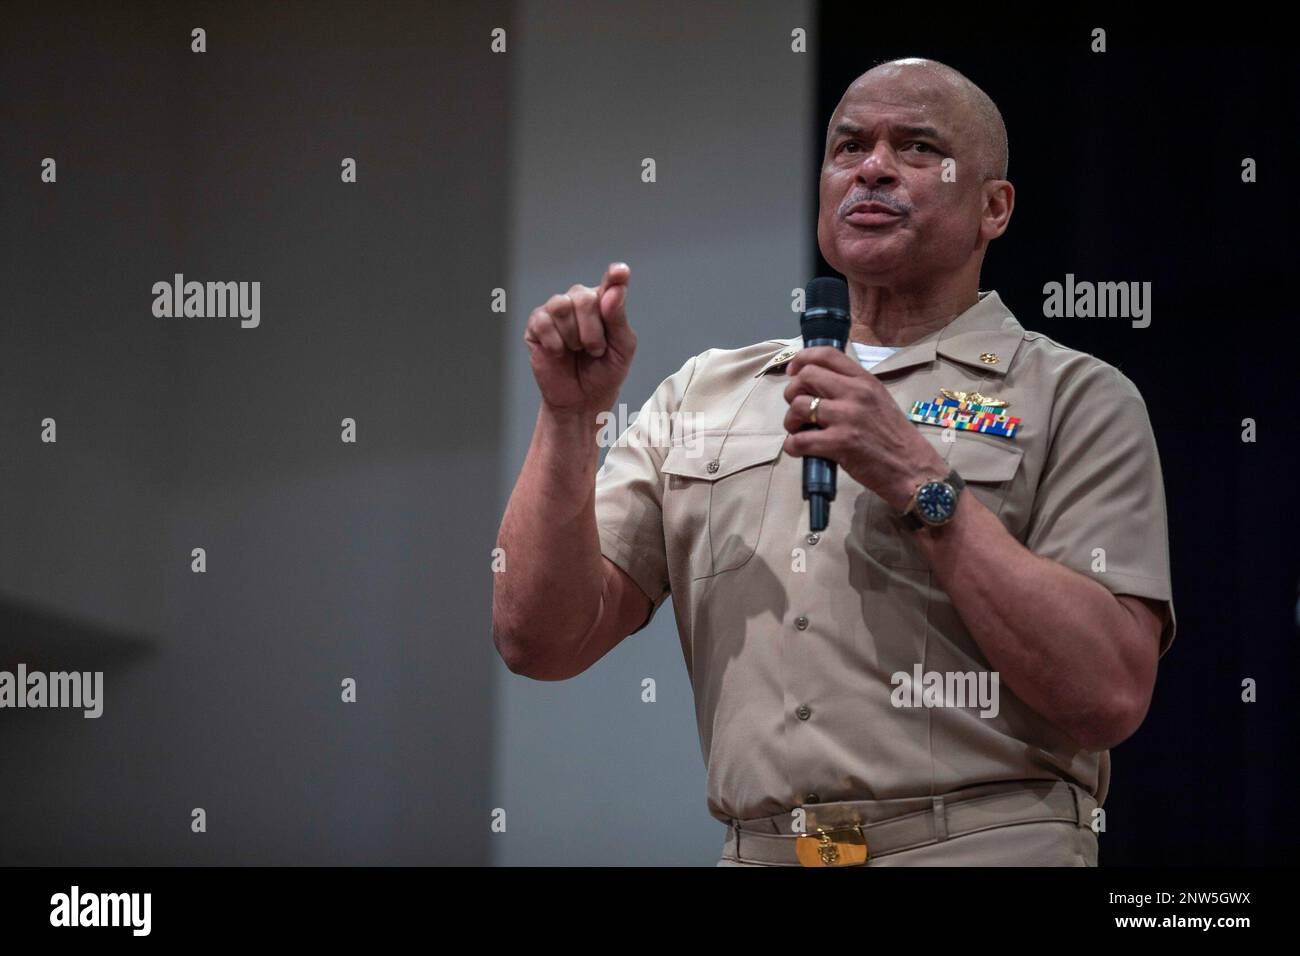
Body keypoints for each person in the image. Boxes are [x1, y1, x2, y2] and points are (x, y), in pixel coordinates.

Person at [492, 57, 1175, 866]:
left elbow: (1109, 694)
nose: (873, 167)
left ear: (994, 207)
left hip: (981, 845)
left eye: (917, 147)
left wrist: (922, 485)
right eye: (849, 146)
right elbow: (540, 641)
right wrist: (571, 420)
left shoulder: (1075, 396)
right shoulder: (705, 394)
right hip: (766, 850)